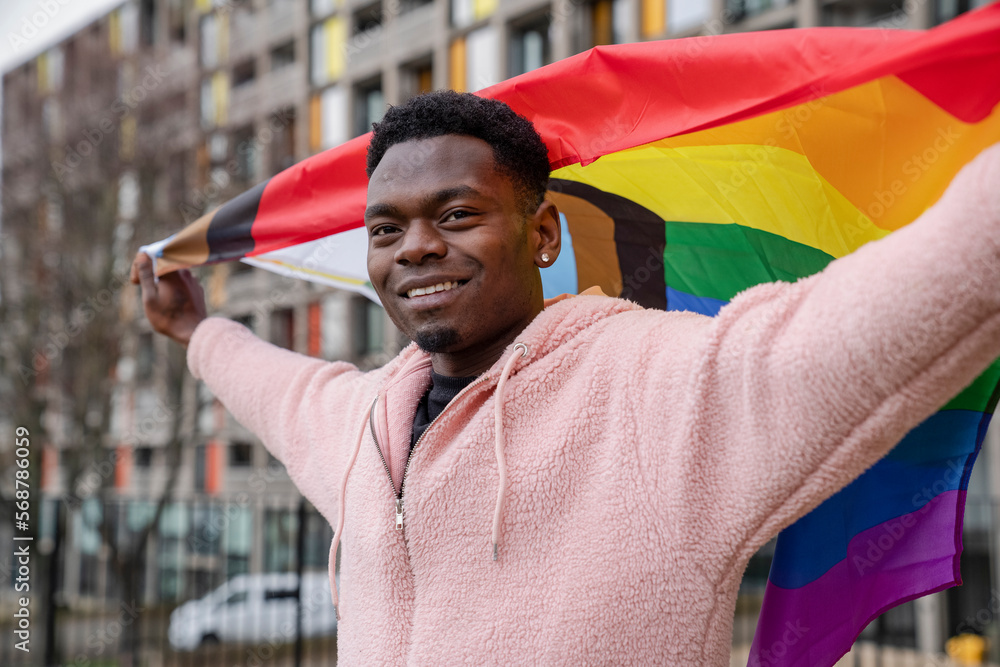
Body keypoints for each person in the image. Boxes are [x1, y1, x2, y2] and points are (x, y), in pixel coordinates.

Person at [131, 91, 1000, 664]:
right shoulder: (365, 425)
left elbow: (890, 303)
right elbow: (282, 393)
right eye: (386, 229)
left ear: (543, 235)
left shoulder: (657, 392)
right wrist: (196, 328)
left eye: (457, 214)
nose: (417, 247)